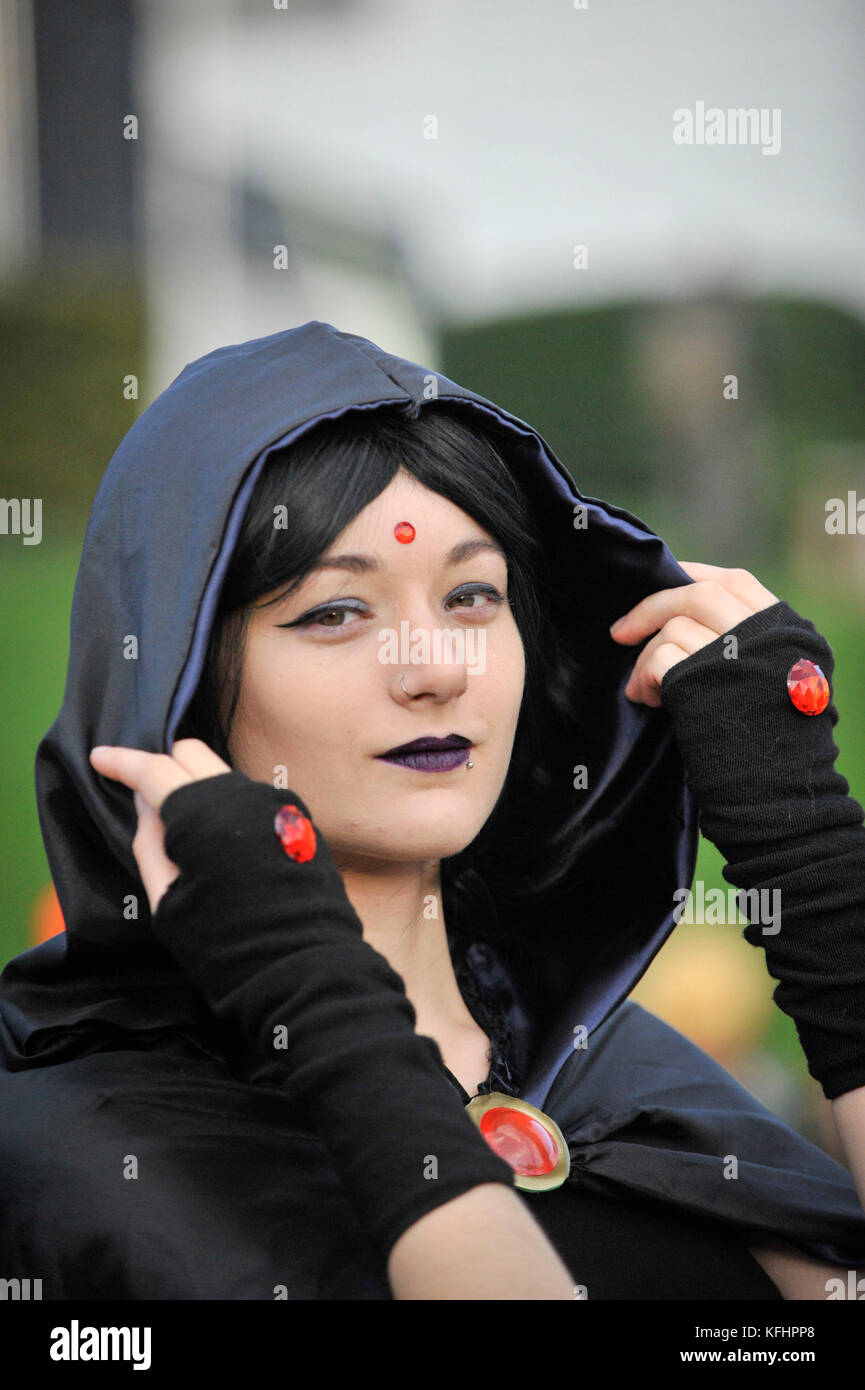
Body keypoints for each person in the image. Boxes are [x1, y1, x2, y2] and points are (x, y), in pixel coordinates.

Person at [1, 320, 864, 1301]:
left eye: (471, 595)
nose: (436, 670)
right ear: (183, 679)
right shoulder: (61, 1150)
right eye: (335, 611)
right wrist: (319, 1002)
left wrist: (812, 855)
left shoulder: (634, 1090)